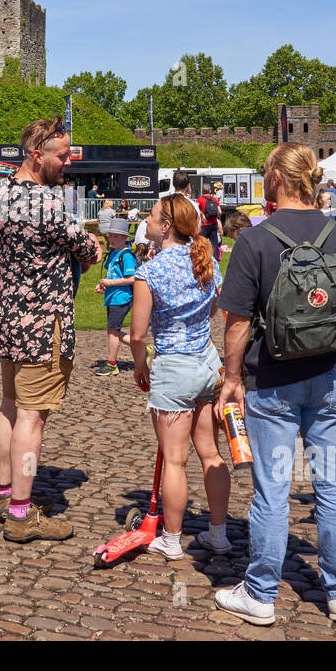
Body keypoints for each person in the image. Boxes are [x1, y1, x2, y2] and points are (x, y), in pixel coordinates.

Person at [214, 142, 336, 625]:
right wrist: (332, 346)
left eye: (266, 171)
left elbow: (238, 322)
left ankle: (261, 595)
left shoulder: (255, 240)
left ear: (279, 179)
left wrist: (231, 378)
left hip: (270, 383)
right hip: (328, 381)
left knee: (272, 489)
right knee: (331, 485)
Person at [0, 116, 102, 541]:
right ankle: (21, 514)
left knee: (10, 405)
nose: (68, 162)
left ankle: (6, 495)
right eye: (62, 155)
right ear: (37, 155)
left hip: (8, 313)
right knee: (32, 417)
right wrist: (93, 246)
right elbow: (88, 248)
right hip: (42, 319)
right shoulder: (49, 204)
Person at [129, 193, 229, 559]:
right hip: (206, 362)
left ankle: (171, 539)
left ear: (166, 226)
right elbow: (215, 306)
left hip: (173, 367)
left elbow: (138, 335)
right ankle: (217, 532)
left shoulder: (150, 272)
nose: (148, 221)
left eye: (153, 216)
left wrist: (140, 365)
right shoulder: (207, 261)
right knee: (210, 454)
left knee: (174, 460)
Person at [94, 216, 137, 377]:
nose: (112, 239)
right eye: (110, 235)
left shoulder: (126, 255)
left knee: (112, 331)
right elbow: (111, 274)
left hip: (122, 297)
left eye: (116, 236)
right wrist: (103, 285)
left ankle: (112, 363)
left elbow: (132, 278)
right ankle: (139, 346)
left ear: (125, 237)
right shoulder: (113, 253)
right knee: (112, 330)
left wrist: (111, 283)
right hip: (112, 296)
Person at [197, 181, 222, 261]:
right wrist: (215, 217)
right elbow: (220, 212)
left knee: (201, 244)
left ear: (202, 191)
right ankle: (216, 259)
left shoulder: (200, 199)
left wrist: (202, 214)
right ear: (210, 191)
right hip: (214, 224)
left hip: (204, 225)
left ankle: (202, 259)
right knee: (214, 243)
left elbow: (195, 209)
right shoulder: (214, 199)